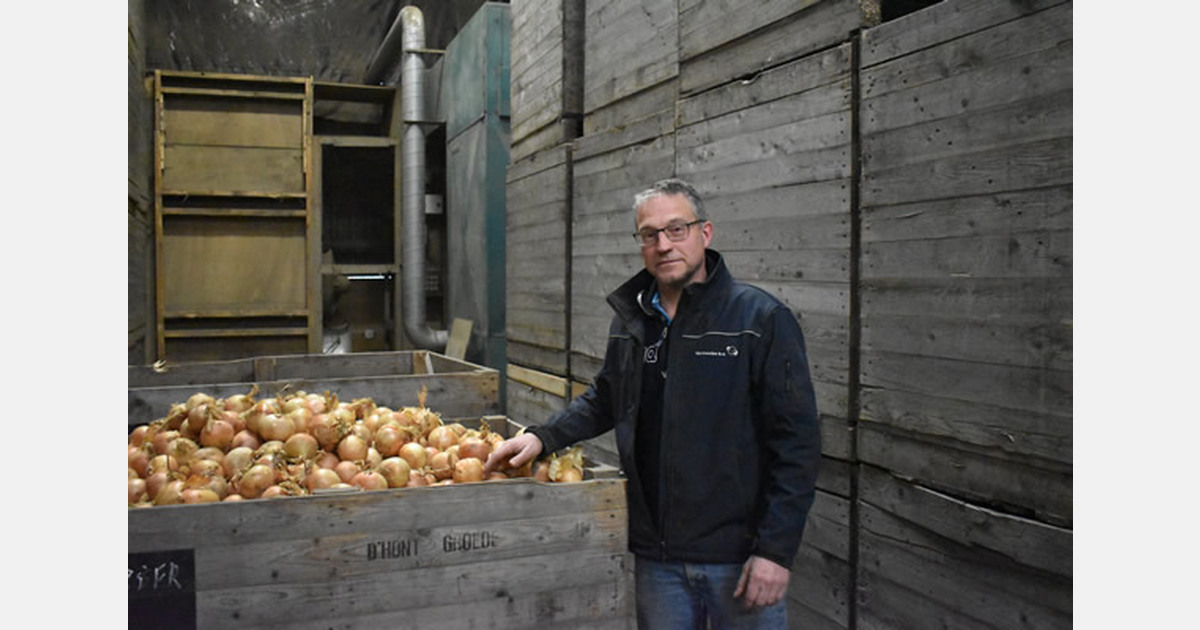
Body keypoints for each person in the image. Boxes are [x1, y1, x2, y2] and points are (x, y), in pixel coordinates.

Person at [485, 178, 821, 628]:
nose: (664, 245)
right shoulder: (634, 319)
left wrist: (775, 552)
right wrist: (543, 438)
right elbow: (607, 397)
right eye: (650, 234)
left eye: (677, 229)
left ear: (705, 233)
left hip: (739, 558)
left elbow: (797, 443)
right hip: (658, 561)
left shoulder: (759, 319)